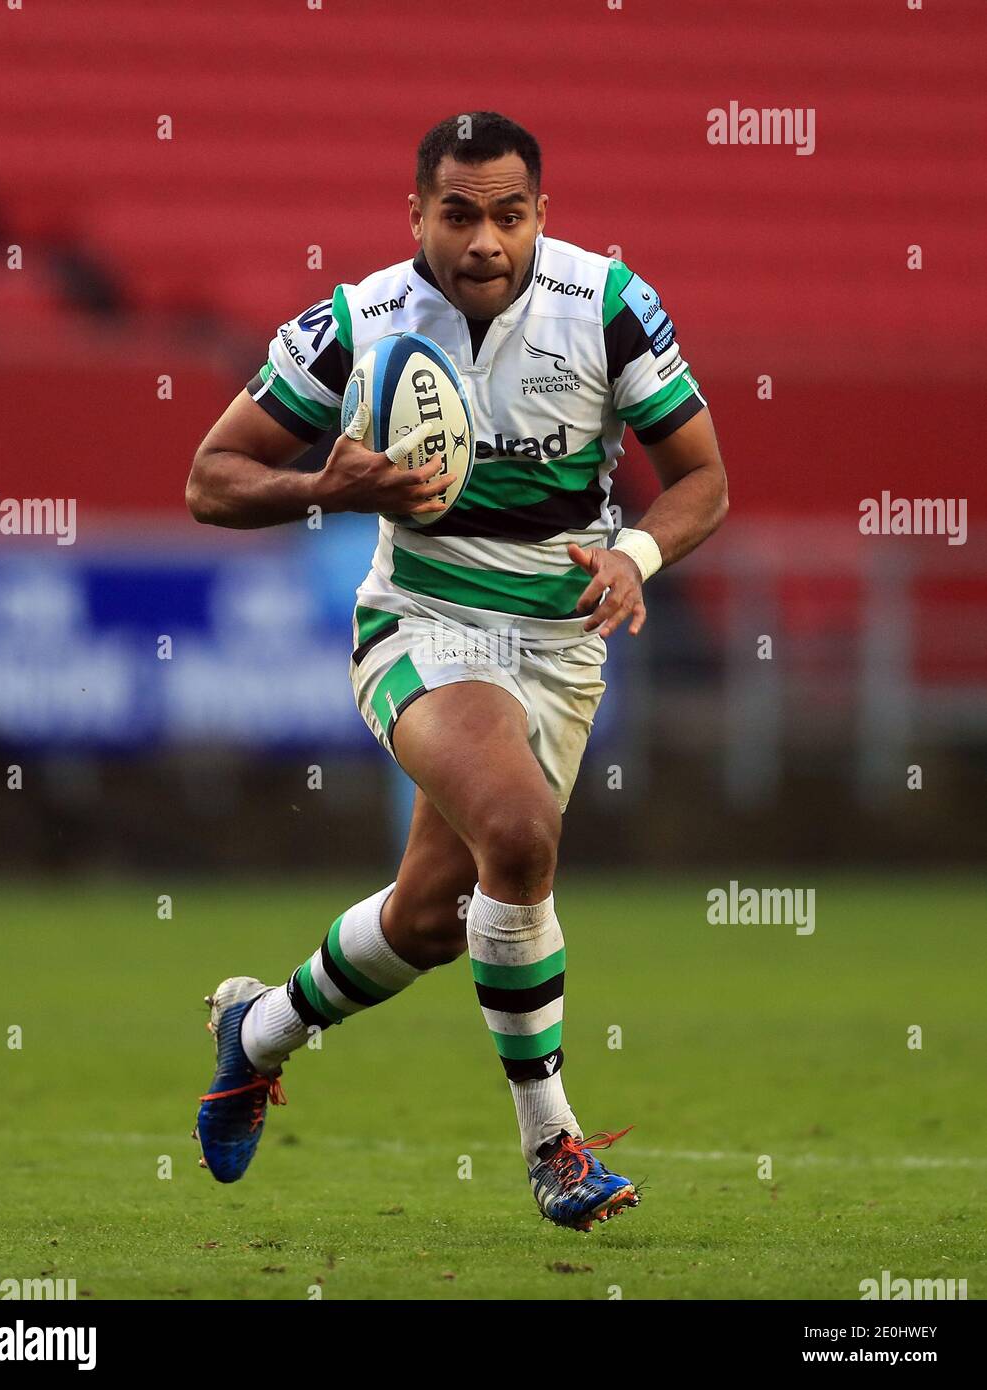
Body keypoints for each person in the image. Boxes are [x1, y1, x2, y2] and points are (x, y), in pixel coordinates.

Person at [185, 111, 728, 1231]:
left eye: (509, 214)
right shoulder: (359, 324)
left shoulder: (609, 306)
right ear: (416, 215)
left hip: (562, 641)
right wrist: (331, 490)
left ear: (543, 215)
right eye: (459, 214)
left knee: (434, 916)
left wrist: (633, 554)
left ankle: (260, 1032)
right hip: (424, 625)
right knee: (520, 838)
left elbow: (703, 481)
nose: (485, 240)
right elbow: (212, 478)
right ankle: (554, 1144)